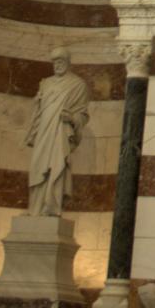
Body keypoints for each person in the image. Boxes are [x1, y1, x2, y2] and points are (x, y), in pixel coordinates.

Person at [25, 47, 90, 216]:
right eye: (55, 62)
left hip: (60, 132)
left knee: (56, 166)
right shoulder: (45, 83)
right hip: (43, 133)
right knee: (37, 167)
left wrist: (72, 119)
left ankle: (52, 207)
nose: (57, 65)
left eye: (61, 62)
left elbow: (82, 114)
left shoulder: (77, 84)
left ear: (68, 63)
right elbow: (39, 110)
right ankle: (35, 209)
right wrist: (37, 103)